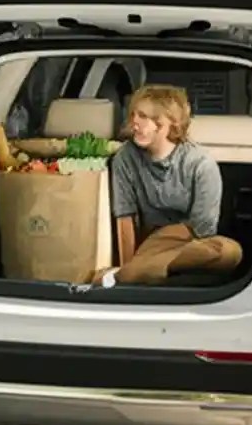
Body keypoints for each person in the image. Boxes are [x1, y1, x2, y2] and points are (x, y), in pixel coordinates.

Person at [99, 85, 242, 287]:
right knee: (149, 256)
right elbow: (125, 218)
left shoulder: (200, 163)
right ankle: (135, 271)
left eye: (144, 117)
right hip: (150, 242)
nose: (135, 123)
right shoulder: (125, 158)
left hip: (193, 243)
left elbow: (203, 228)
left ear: (168, 124)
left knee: (229, 252)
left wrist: (170, 246)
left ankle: (136, 272)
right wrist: (128, 269)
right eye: (134, 115)